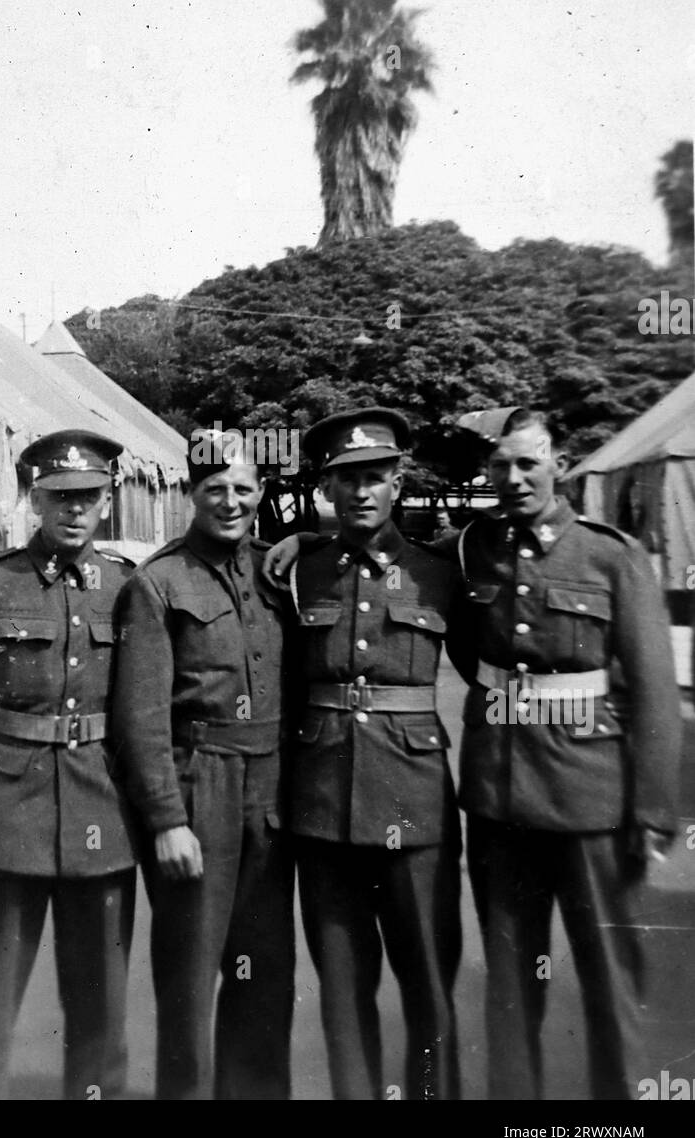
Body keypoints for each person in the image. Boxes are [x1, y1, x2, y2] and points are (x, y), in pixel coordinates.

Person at [446, 406, 682, 1100]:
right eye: (500, 466)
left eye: (527, 463)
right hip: (499, 801)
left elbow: (653, 693)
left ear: (559, 460)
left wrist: (652, 809)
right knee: (510, 984)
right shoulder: (471, 549)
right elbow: (468, 651)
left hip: (591, 801)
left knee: (611, 975)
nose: (513, 478)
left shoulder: (611, 555)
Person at [0, 429, 138, 1101]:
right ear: (33, 500)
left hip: (101, 810)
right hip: (7, 815)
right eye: (58, 498)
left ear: (107, 500)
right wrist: (1, 759)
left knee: (100, 996)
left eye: (87, 497)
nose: (73, 511)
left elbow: (146, 704)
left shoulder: (128, 590)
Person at [269, 408, 463, 1100]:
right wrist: (297, 540)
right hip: (323, 811)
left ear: (396, 481)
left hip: (415, 808)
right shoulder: (297, 572)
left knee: (430, 988)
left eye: (374, 477)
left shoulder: (441, 572)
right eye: (346, 479)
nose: (360, 492)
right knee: (343, 992)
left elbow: (496, 661)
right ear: (326, 486)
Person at [112, 429, 295, 1100]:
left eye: (243, 488)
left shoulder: (277, 571)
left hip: (269, 793)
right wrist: (165, 819)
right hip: (199, 789)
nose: (229, 501)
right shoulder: (157, 583)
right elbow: (140, 716)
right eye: (214, 489)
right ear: (192, 494)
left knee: (266, 972)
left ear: (260, 492)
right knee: (189, 978)